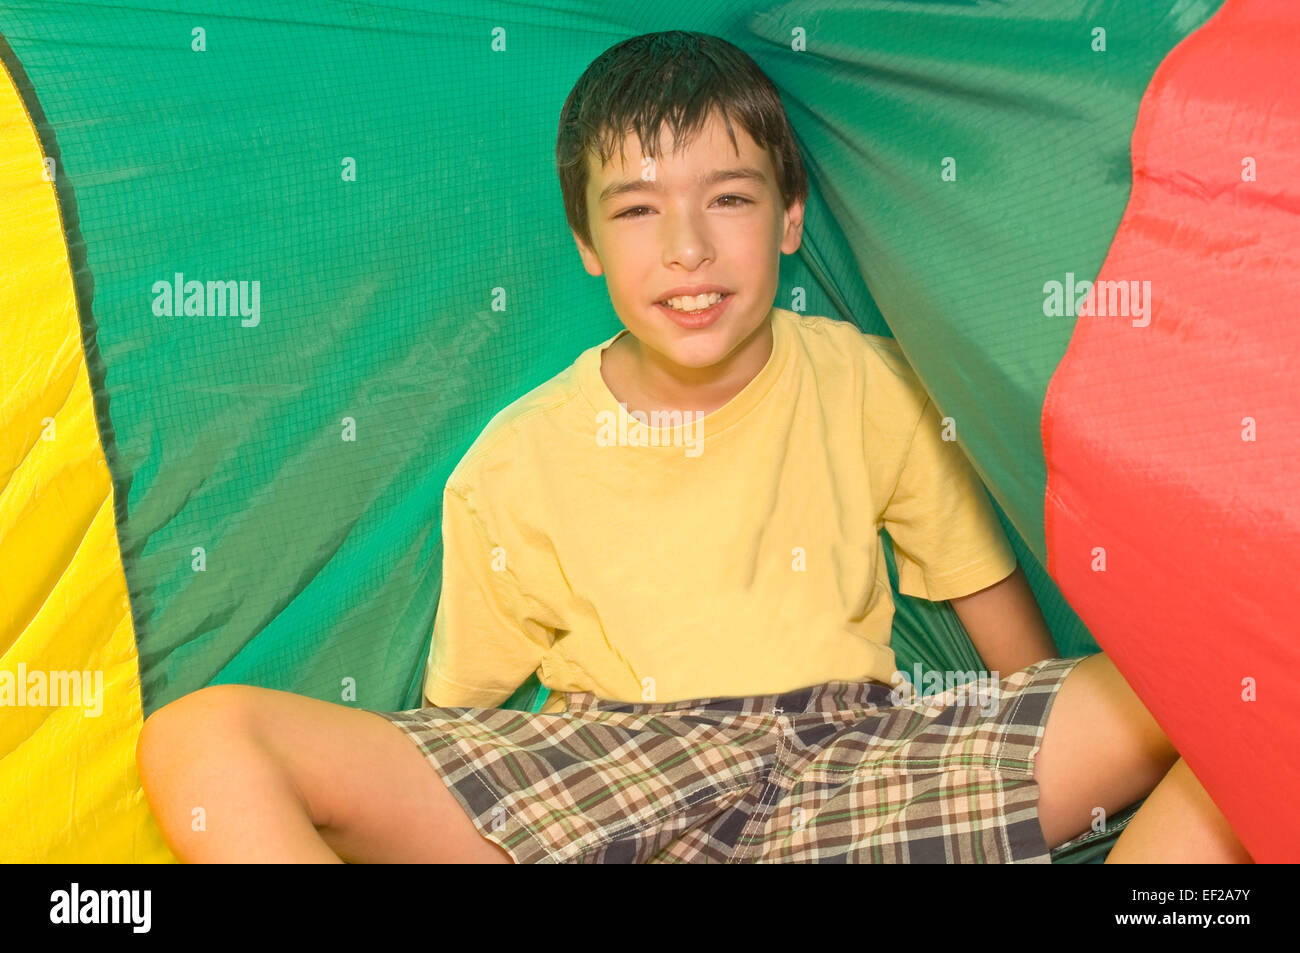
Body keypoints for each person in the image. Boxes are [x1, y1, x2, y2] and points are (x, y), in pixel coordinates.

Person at [135, 31, 1252, 864]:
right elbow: (461, 736)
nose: (685, 249)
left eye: (727, 198)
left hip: (853, 764)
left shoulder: (868, 381)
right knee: (202, 737)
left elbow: (1006, 641)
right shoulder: (514, 462)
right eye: (634, 213)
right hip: (612, 770)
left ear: (788, 219)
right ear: (584, 242)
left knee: (1238, 683)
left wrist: (1036, 757)